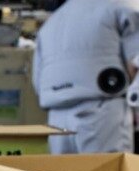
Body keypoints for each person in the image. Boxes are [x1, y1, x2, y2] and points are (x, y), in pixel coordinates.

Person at [34, 0, 139, 154]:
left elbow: (38, 81)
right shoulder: (122, 6)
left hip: (57, 119)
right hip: (102, 112)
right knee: (108, 169)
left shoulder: (51, 23)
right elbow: (135, 63)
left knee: (65, 170)